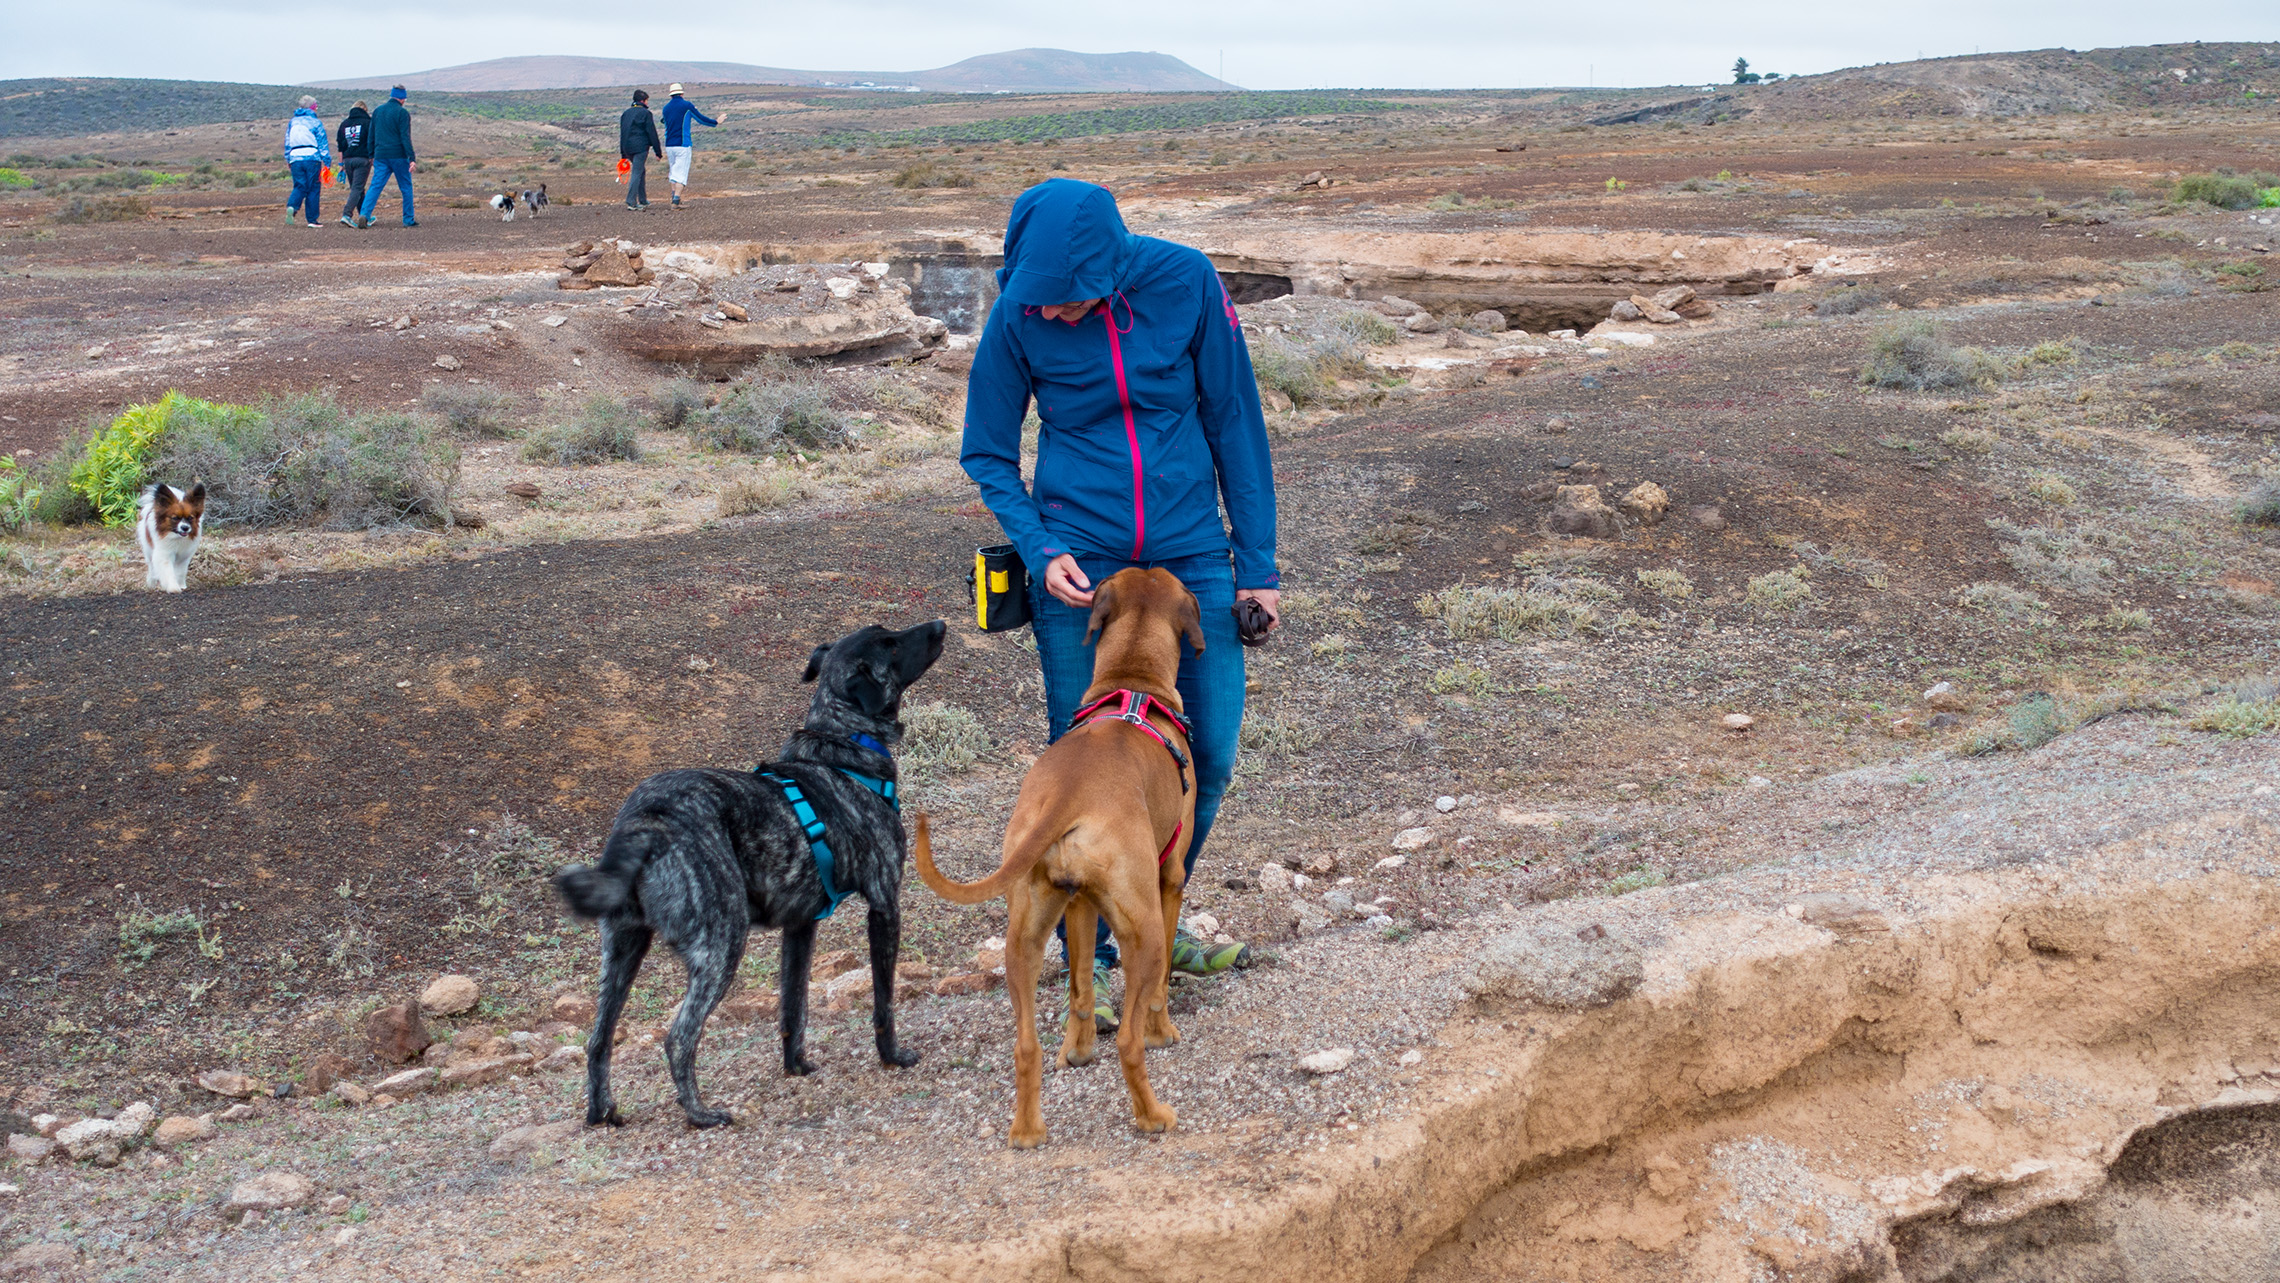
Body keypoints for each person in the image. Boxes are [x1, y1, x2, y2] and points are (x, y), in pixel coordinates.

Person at [960, 178, 1280, 1029]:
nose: (1055, 315)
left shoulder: (1186, 282)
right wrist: (1041, 546)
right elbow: (987, 450)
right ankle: (1095, 959)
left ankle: (1151, 923)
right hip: (1080, 563)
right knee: (1087, 773)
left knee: (1204, 759)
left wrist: (1257, 566)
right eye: (1042, 302)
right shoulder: (1020, 309)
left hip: (1190, 556)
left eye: (1073, 301)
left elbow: (1234, 422)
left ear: (1112, 267)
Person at [355, 85, 418, 229]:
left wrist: (371, 154)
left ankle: (364, 214)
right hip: (399, 156)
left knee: (376, 186)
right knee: (406, 187)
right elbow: (405, 137)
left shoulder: (378, 111)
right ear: (403, 98)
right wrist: (412, 158)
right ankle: (408, 219)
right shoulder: (402, 113)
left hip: (381, 155)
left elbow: (372, 134)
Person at [658, 84, 721, 209]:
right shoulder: (687, 106)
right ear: (682, 94)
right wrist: (716, 122)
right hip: (683, 143)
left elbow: (664, 121)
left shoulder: (666, 108)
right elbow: (701, 119)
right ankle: (676, 201)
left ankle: (674, 197)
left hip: (669, 144)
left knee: (673, 171)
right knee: (681, 173)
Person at [283, 95, 330, 229]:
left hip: (295, 157)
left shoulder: (292, 122)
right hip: (312, 157)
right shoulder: (315, 122)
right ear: (312, 107)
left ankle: (292, 206)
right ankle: (312, 220)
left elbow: (287, 142)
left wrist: (288, 158)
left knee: (299, 185)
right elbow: (322, 143)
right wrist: (326, 161)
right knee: (313, 188)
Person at [618, 89, 663, 212]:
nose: (648, 103)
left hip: (628, 148)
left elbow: (623, 133)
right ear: (643, 101)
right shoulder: (645, 113)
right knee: (637, 172)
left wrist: (623, 153)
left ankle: (643, 199)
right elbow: (651, 132)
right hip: (640, 148)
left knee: (641, 171)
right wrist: (658, 151)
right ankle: (631, 201)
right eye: (647, 101)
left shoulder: (626, 113)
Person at [333, 100, 373, 227]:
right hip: (362, 159)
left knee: (357, 189)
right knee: (358, 188)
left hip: (348, 160)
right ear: (365, 110)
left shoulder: (344, 124)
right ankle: (347, 214)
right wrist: (372, 157)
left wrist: (341, 165)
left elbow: (341, 146)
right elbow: (372, 141)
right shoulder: (368, 122)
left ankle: (364, 216)